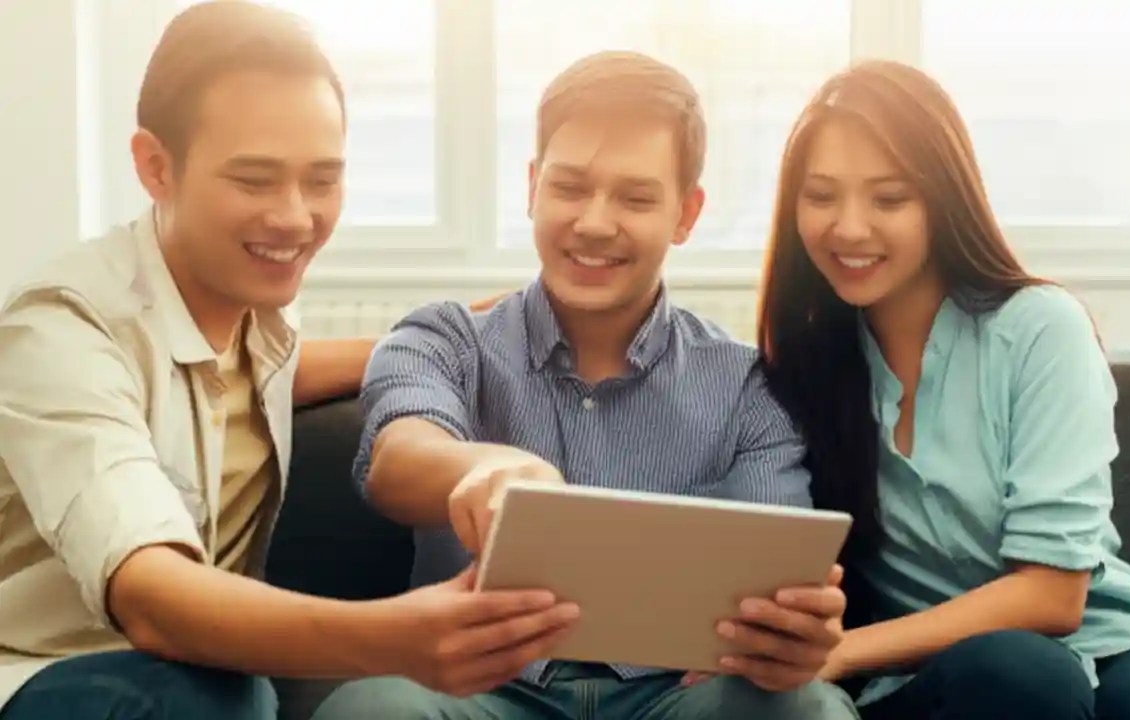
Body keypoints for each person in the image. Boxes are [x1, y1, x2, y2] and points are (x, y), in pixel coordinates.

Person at [0, 3, 584, 718]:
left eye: (322, 180)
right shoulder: (59, 327)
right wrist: (395, 639)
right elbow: (150, 597)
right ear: (155, 167)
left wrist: (456, 331)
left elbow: (257, 378)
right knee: (227, 697)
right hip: (48, 674)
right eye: (255, 180)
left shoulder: (254, 319)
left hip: (193, 669)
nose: (295, 217)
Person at [312, 51, 859, 720]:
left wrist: (791, 632)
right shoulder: (443, 339)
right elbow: (397, 461)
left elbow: (775, 566)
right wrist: (489, 470)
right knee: (372, 709)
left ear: (686, 214)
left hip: (678, 696)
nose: (595, 222)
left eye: (635, 198)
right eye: (570, 187)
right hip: (477, 688)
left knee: (808, 708)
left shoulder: (750, 385)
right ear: (533, 187)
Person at [745, 59, 1130, 720]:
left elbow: (1053, 595)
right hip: (932, 673)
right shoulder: (800, 367)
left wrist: (844, 651)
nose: (849, 227)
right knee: (1019, 674)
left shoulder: (1041, 329)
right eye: (820, 196)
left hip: (1110, 638)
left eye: (889, 198)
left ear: (944, 200)